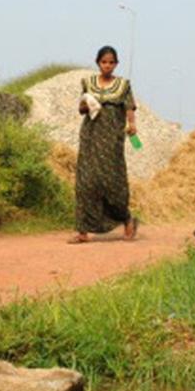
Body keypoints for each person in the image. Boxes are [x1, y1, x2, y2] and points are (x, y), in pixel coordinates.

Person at [70, 45, 139, 244]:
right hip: (90, 139)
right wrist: (87, 104)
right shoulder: (88, 83)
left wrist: (132, 125)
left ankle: (126, 220)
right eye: (104, 62)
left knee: (112, 184)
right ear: (98, 63)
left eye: (111, 62)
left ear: (116, 64)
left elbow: (129, 108)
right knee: (86, 183)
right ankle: (83, 231)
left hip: (112, 141)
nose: (107, 66)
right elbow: (81, 109)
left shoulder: (123, 85)